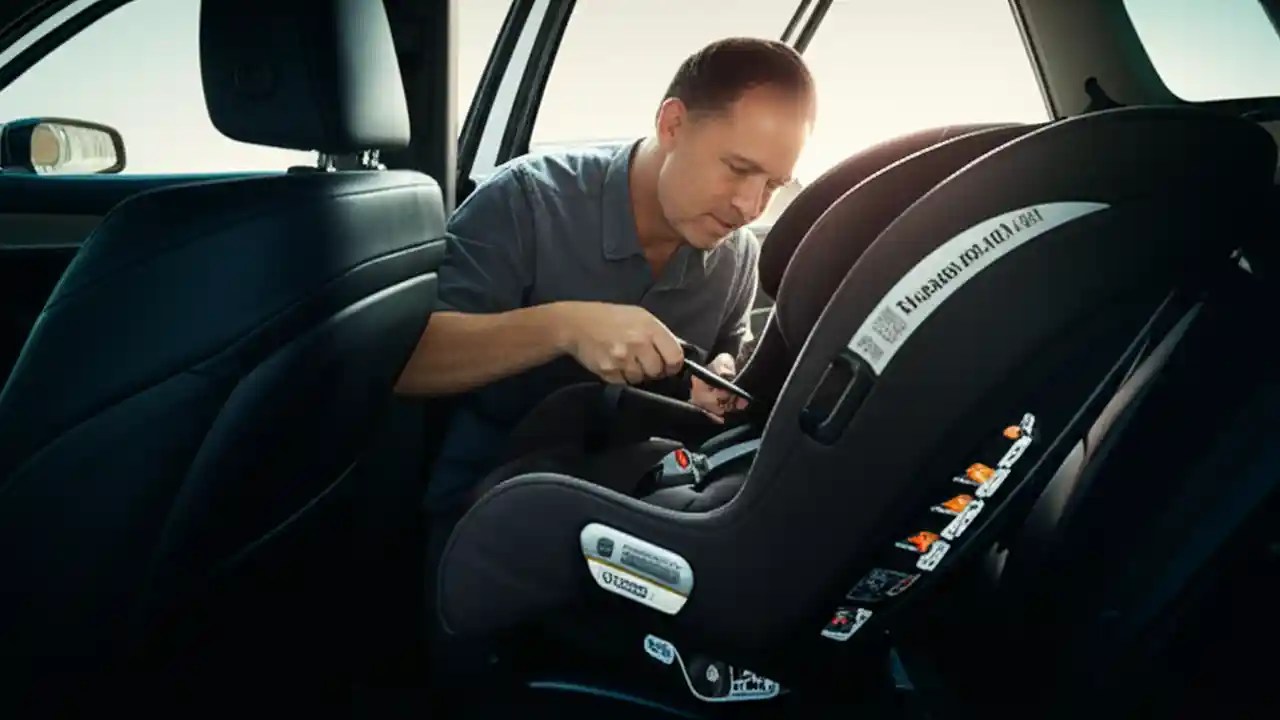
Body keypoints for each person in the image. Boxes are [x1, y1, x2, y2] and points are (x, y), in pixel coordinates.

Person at [395, 36, 816, 516]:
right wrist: (565, 327)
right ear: (673, 124)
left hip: (641, 501)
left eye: (773, 186)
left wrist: (718, 376)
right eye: (738, 169)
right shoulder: (526, 200)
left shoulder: (737, 255)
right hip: (488, 506)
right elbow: (409, 363)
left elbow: (723, 352)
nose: (750, 207)